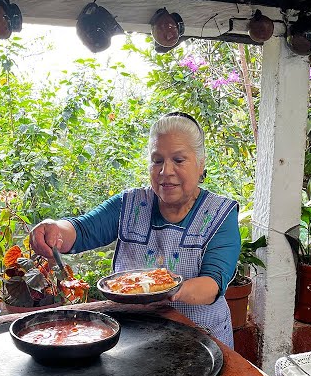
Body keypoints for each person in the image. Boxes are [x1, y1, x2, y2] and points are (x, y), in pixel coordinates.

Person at [29, 112, 241, 345]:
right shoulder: (130, 204)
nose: (165, 171)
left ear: (201, 165)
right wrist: (55, 229)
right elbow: (83, 230)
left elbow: (212, 284)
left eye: (179, 160)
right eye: (157, 160)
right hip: (137, 338)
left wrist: (160, 288)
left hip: (202, 341)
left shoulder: (220, 214)